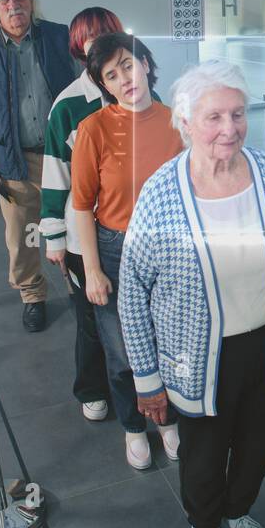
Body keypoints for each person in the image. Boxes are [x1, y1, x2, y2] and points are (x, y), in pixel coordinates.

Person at [118, 61, 265, 528]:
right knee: (203, 454)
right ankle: (205, 525)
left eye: (238, 113)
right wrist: (146, 377)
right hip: (197, 355)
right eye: (214, 117)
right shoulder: (161, 192)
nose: (230, 128)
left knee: (258, 443)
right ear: (185, 123)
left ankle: (239, 511)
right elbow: (132, 290)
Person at [70, 33, 183, 470]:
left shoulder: (176, 122)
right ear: (104, 85)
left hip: (168, 247)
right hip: (115, 249)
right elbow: (82, 205)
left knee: (169, 342)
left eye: (128, 66)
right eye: (111, 75)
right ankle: (134, 426)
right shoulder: (94, 129)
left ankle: (168, 422)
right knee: (122, 351)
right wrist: (92, 270)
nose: (124, 79)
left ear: (146, 64)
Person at [0, 0, 80, 332]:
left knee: (74, 225)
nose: (13, 6)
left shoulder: (59, 37)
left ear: (30, 0)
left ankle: (77, 286)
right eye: (4, 1)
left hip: (63, 155)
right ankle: (32, 296)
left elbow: (83, 91)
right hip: (15, 160)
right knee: (22, 236)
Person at [40, 8, 126, 423]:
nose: (100, 42)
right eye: (91, 37)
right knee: (92, 316)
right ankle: (92, 388)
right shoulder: (68, 105)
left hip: (132, 231)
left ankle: (146, 387)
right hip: (83, 235)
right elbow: (55, 174)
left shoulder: (140, 93)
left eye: (108, 33)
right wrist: (54, 237)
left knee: (137, 315)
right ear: (78, 47)